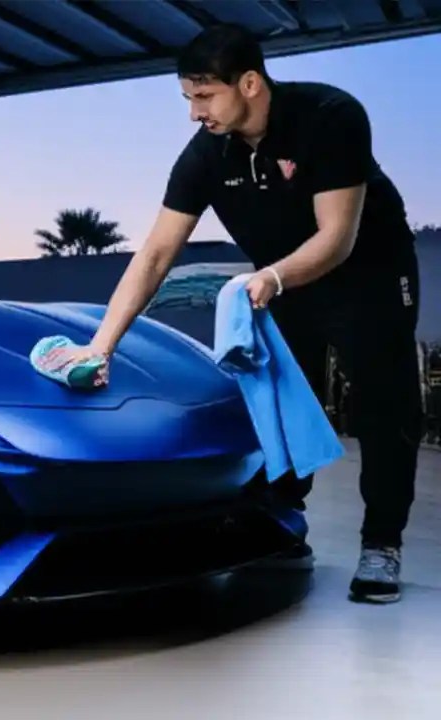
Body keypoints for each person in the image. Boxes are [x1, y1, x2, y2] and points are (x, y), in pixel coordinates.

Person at [48, 23, 423, 604]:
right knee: (275, 396)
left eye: (204, 97)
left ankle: (382, 543)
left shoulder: (330, 116)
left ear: (249, 83)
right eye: (188, 98)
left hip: (366, 275)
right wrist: (102, 344)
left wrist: (271, 276)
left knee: (382, 402)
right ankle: (281, 526)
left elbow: (338, 238)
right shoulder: (205, 154)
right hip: (280, 281)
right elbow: (154, 256)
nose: (195, 113)